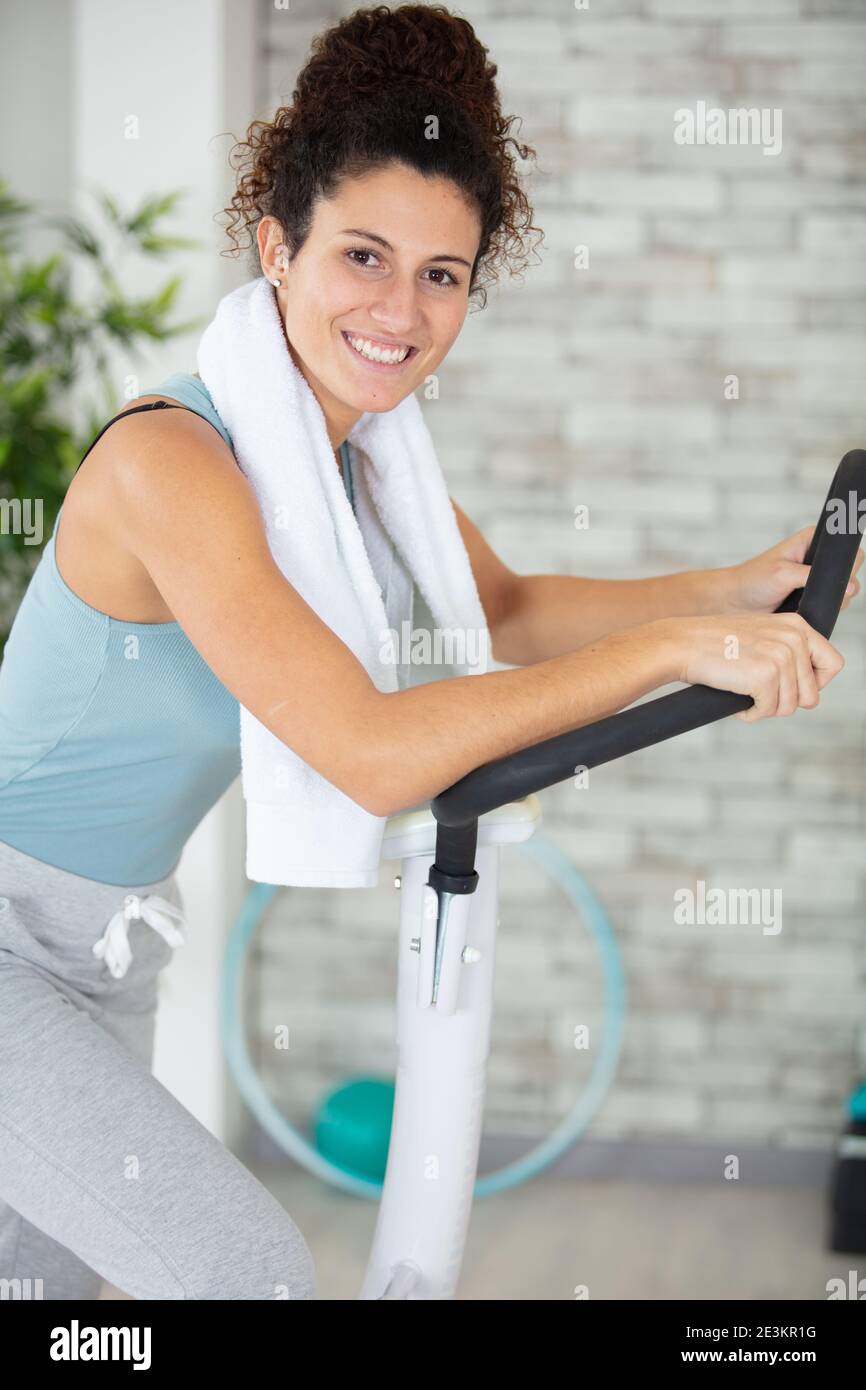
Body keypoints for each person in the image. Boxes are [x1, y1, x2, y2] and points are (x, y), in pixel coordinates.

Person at [0, 3, 859, 1302]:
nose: (400, 311)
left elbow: (495, 608)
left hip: (107, 947)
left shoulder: (345, 466)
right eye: (362, 254)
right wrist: (681, 646)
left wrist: (733, 584)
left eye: (441, 273)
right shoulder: (171, 464)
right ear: (273, 243)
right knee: (247, 1271)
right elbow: (363, 748)